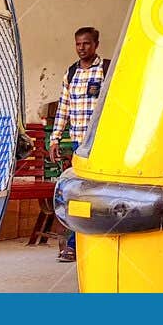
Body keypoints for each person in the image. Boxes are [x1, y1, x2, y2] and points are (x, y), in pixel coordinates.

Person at [53, 26, 109, 262]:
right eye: (78, 44)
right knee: (79, 194)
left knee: (101, 194)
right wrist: (55, 138)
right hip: (79, 145)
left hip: (103, 143)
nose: (81, 48)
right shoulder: (71, 73)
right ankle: (75, 245)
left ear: (96, 44)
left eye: (86, 44)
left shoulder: (106, 70)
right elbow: (63, 108)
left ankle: (96, 243)